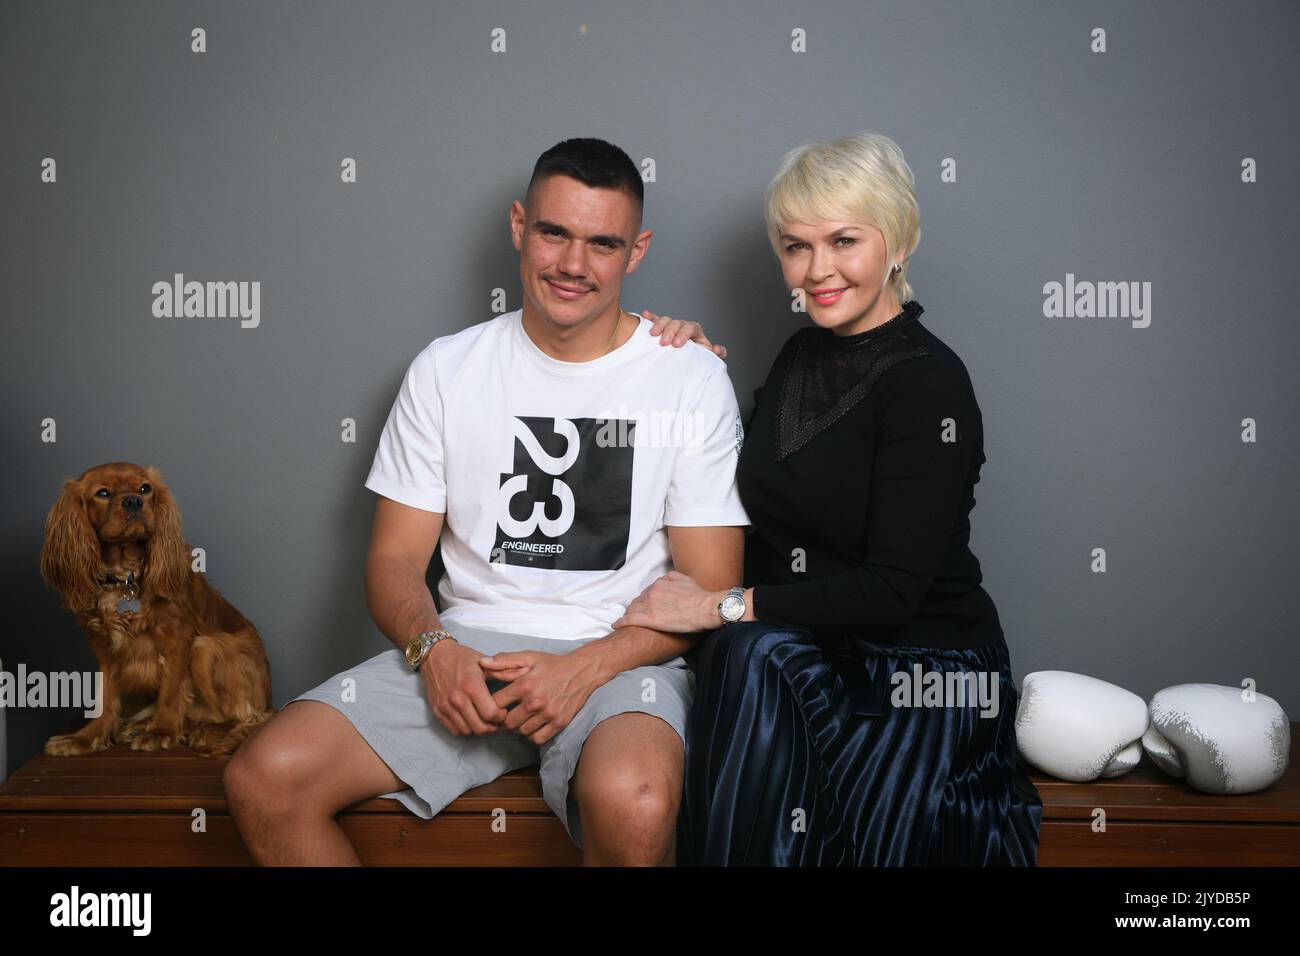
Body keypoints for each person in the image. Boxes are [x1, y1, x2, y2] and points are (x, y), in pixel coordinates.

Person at [222, 137, 750, 866]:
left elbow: (711, 586)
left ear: (637, 252)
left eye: (603, 243)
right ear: (518, 226)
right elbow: (393, 558)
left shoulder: (687, 378)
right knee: (265, 778)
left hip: (625, 660)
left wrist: (586, 669)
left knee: (638, 800)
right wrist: (434, 651)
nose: (573, 264)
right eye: (553, 232)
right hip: (467, 653)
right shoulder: (447, 369)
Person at [615, 131, 1045, 865]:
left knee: (745, 647)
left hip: (920, 675)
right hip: (809, 652)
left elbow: (890, 592)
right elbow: (762, 513)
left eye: (844, 241)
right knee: (744, 654)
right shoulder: (799, 354)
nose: (817, 271)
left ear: (899, 242)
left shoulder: (929, 384)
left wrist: (719, 605)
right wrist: (684, 364)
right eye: (796, 246)